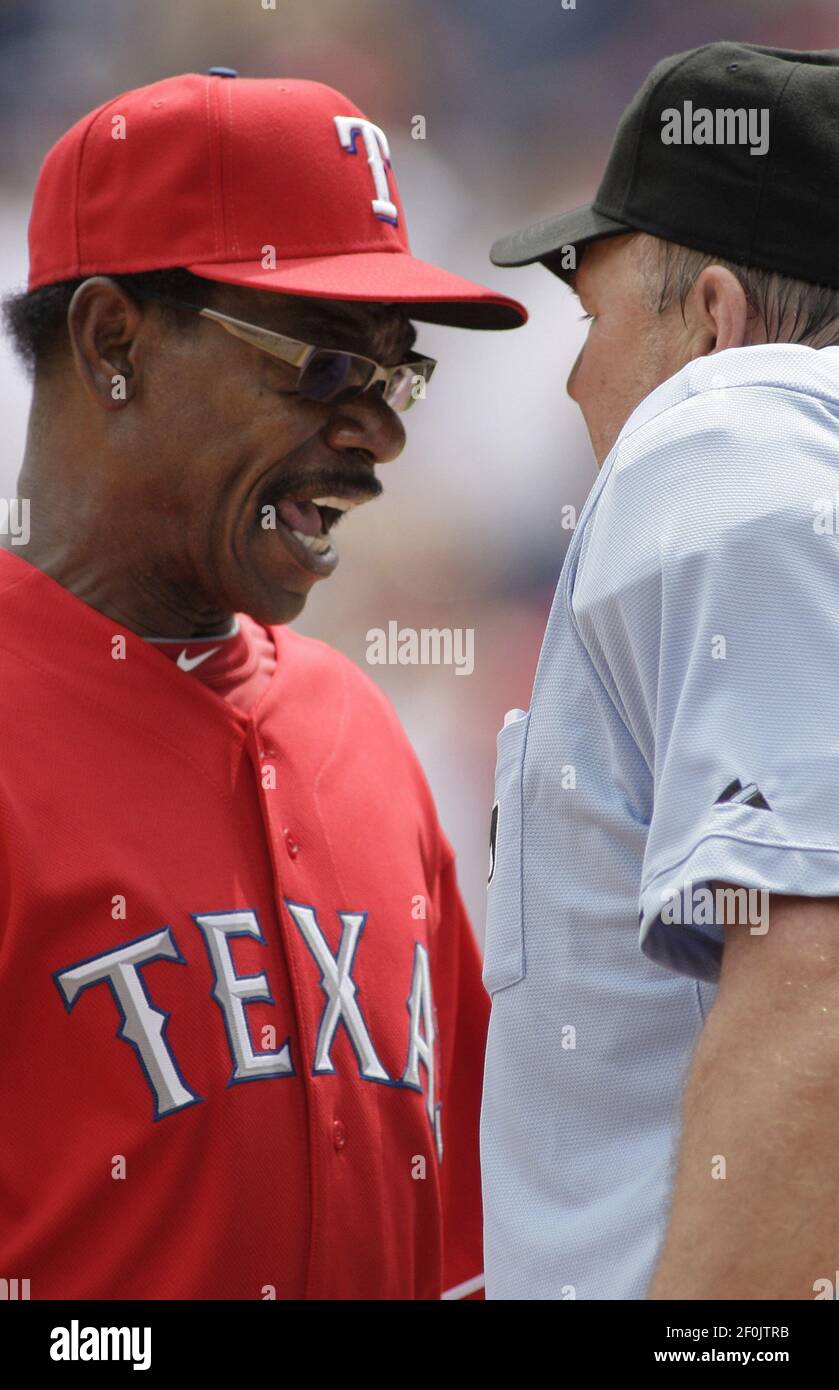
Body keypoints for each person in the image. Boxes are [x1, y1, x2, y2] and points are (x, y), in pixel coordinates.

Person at [0, 69, 526, 1301]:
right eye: (326, 367)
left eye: (396, 376)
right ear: (113, 344)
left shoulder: (361, 727)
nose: (380, 435)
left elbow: (463, 1249)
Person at [481, 40, 839, 1300]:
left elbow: (813, 962)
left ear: (715, 317)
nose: (575, 375)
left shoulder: (724, 428)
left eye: (591, 317)